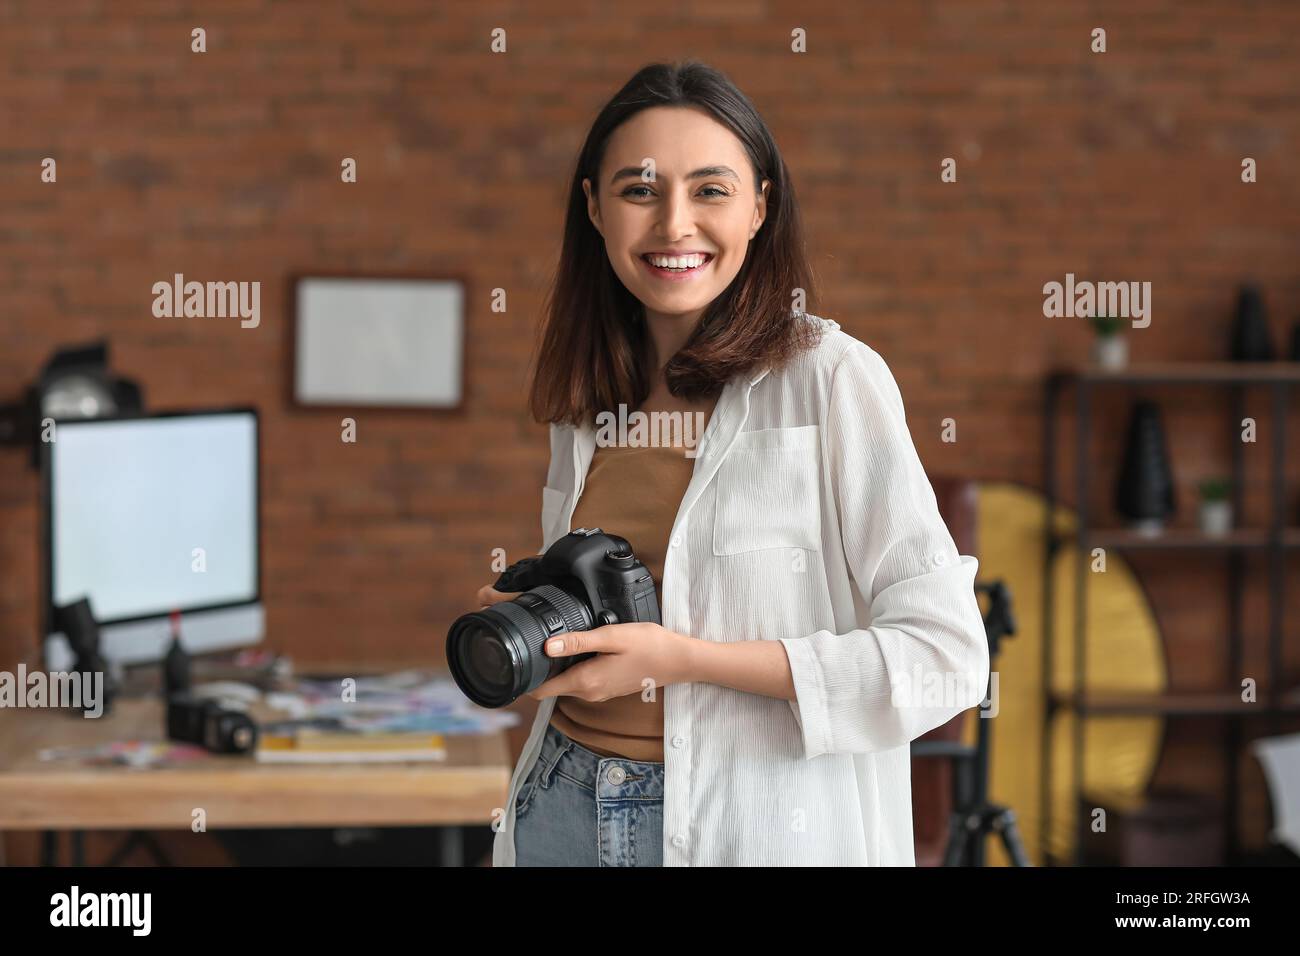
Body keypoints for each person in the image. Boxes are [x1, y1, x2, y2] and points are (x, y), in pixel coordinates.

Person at [484, 59, 989, 866]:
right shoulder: (591, 397)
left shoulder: (831, 378)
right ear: (594, 207)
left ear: (760, 207)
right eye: (640, 191)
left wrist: (685, 662)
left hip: (750, 826)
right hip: (561, 801)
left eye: (711, 190)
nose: (674, 224)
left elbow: (946, 657)